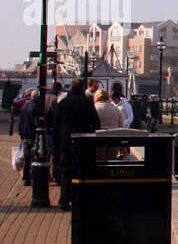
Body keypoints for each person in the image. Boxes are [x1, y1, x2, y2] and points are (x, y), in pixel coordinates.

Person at [52, 80, 100, 210]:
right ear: (82, 88)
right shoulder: (87, 103)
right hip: (83, 142)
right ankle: (79, 199)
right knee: (81, 171)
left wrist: (55, 147)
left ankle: (63, 200)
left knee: (66, 172)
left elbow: (55, 127)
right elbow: (96, 124)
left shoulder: (62, 103)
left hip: (65, 142)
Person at [18, 90, 41, 186]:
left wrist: (21, 134)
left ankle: (25, 176)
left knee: (27, 157)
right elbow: (36, 123)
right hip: (32, 134)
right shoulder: (36, 107)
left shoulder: (24, 106)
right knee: (34, 156)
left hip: (24, 134)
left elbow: (21, 121)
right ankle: (32, 176)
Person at [93, 87, 122, 162]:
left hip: (98, 141)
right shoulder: (116, 109)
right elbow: (121, 127)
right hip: (113, 142)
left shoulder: (94, 108)